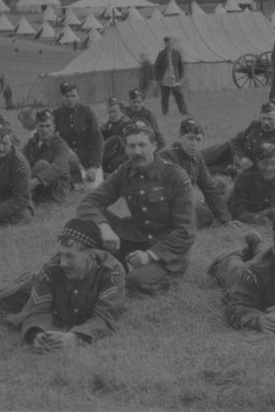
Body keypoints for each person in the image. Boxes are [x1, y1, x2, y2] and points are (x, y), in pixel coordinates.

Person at [76, 121, 196, 294]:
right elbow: (88, 203)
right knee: (87, 221)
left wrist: (150, 255)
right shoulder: (126, 170)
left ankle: (165, 275)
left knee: (134, 281)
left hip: (168, 250)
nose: (137, 151)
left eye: (142, 145)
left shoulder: (175, 176)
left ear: (154, 146)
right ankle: (103, 262)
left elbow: (186, 232)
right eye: (131, 146)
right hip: (137, 238)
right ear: (125, 149)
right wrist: (104, 227)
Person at [0, 219, 126, 351]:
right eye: (60, 255)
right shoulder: (53, 268)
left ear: (91, 255)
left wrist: (75, 337)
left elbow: (104, 318)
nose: (62, 263)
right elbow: (38, 309)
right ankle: (28, 281)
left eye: (70, 256)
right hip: (35, 286)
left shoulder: (112, 272)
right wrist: (37, 334)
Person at [159, 117, 231, 228]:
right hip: (169, 203)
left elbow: (209, 186)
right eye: (190, 138)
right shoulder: (167, 156)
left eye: (198, 139)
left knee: (219, 183)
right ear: (180, 136)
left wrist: (225, 219)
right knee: (207, 217)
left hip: (188, 199)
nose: (194, 143)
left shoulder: (196, 156)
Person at [203, 101, 275, 175]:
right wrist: (242, 157)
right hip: (226, 151)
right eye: (263, 118)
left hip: (235, 165)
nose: (266, 122)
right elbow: (234, 141)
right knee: (201, 159)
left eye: (270, 119)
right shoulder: (255, 125)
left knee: (208, 171)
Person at [228, 143, 275, 225]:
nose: (269, 168)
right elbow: (238, 210)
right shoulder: (244, 177)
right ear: (256, 163)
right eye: (264, 163)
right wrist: (256, 218)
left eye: (273, 163)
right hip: (253, 212)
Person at [53, 81, 104, 191]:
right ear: (62, 97)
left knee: (93, 187)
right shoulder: (56, 114)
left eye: (73, 96)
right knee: (63, 185)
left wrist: (93, 166)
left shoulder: (87, 112)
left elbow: (97, 139)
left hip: (87, 159)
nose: (70, 99)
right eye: (67, 96)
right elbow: (52, 138)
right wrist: (66, 148)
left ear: (78, 97)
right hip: (67, 160)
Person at [22, 108, 75, 203]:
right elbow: (22, 162)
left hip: (57, 189)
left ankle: (22, 196)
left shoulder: (60, 144)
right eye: (41, 126)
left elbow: (59, 167)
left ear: (54, 126)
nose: (45, 130)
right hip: (37, 185)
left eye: (48, 126)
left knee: (42, 164)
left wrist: (34, 182)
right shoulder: (32, 142)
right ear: (35, 126)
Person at [154, 36, 188, 116]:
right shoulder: (161, 54)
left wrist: (180, 76)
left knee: (179, 96)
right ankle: (165, 112)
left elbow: (181, 66)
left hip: (175, 79)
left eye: (171, 43)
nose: (170, 44)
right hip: (165, 79)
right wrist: (159, 79)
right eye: (168, 43)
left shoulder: (177, 53)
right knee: (165, 97)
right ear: (165, 44)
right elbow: (156, 67)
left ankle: (184, 111)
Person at [100, 97, 133, 175]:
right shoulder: (110, 123)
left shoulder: (127, 124)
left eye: (115, 112)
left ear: (122, 111)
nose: (112, 115)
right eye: (110, 112)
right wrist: (102, 129)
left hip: (122, 156)